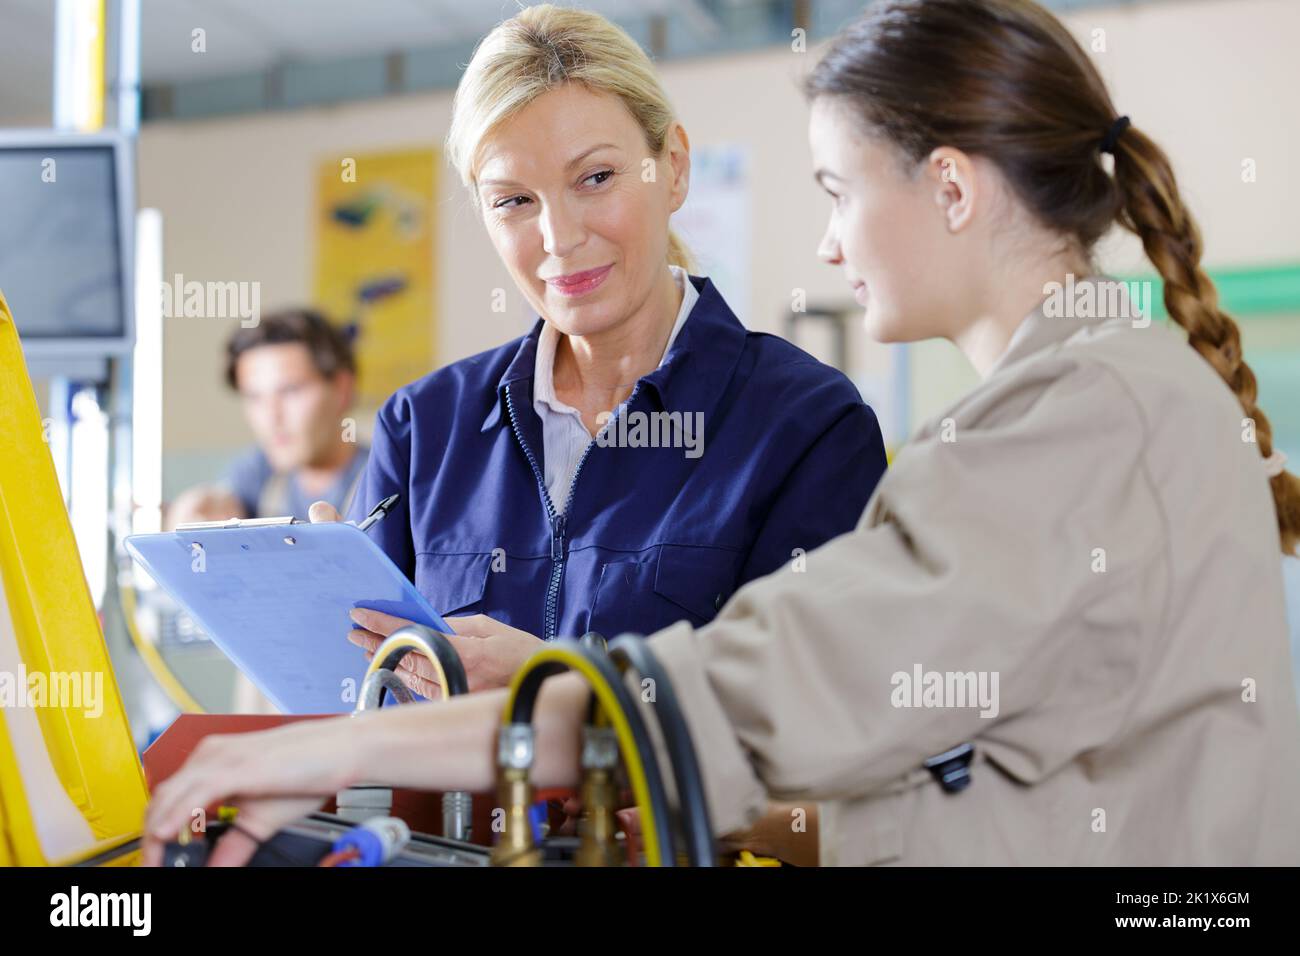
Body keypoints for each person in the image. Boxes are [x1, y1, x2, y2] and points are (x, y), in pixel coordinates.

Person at [146, 0, 1300, 867]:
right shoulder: (1099, 393)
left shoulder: (1067, 415)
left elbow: (761, 700)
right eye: (510, 199)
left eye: (837, 190)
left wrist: (343, 746)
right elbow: (942, 787)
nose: (833, 244)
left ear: (950, 190)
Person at [324, 4, 886, 703]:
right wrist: (319, 594)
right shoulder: (421, 429)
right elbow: (356, 714)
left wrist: (557, 688)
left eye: (595, 179)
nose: (558, 236)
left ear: (673, 169)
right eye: (514, 201)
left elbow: (813, 720)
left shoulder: (807, 426)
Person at [165, 309, 368, 529]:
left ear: (342, 389)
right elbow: (219, 501)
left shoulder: (385, 479)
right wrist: (192, 513)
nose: (272, 417)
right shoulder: (257, 473)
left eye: (290, 391)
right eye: (254, 397)